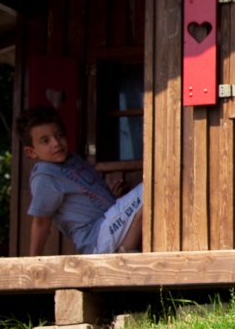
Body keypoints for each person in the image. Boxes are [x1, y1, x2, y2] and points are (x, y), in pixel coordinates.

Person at [19, 105, 144, 256]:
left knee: (145, 202)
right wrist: (33, 262)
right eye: (45, 141)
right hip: (96, 237)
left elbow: (84, 199)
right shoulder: (46, 176)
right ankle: (121, 252)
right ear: (31, 152)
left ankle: (123, 251)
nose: (56, 143)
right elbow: (41, 221)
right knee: (148, 189)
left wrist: (110, 197)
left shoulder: (73, 160)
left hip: (108, 226)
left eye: (59, 135)